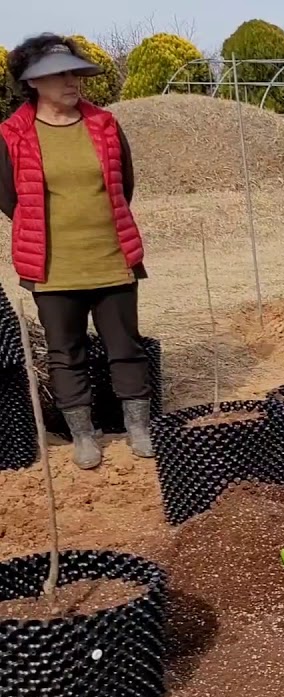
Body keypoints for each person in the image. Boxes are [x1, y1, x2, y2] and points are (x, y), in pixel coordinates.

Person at [1, 33, 153, 470]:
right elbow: (9, 198)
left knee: (126, 345)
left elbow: (123, 184)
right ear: (32, 82)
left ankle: (138, 427)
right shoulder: (12, 135)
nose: (71, 81)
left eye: (74, 72)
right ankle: (84, 435)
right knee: (65, 352)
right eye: (58, 74)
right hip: (52, 266)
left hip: (111, 257)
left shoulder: (104, 124)